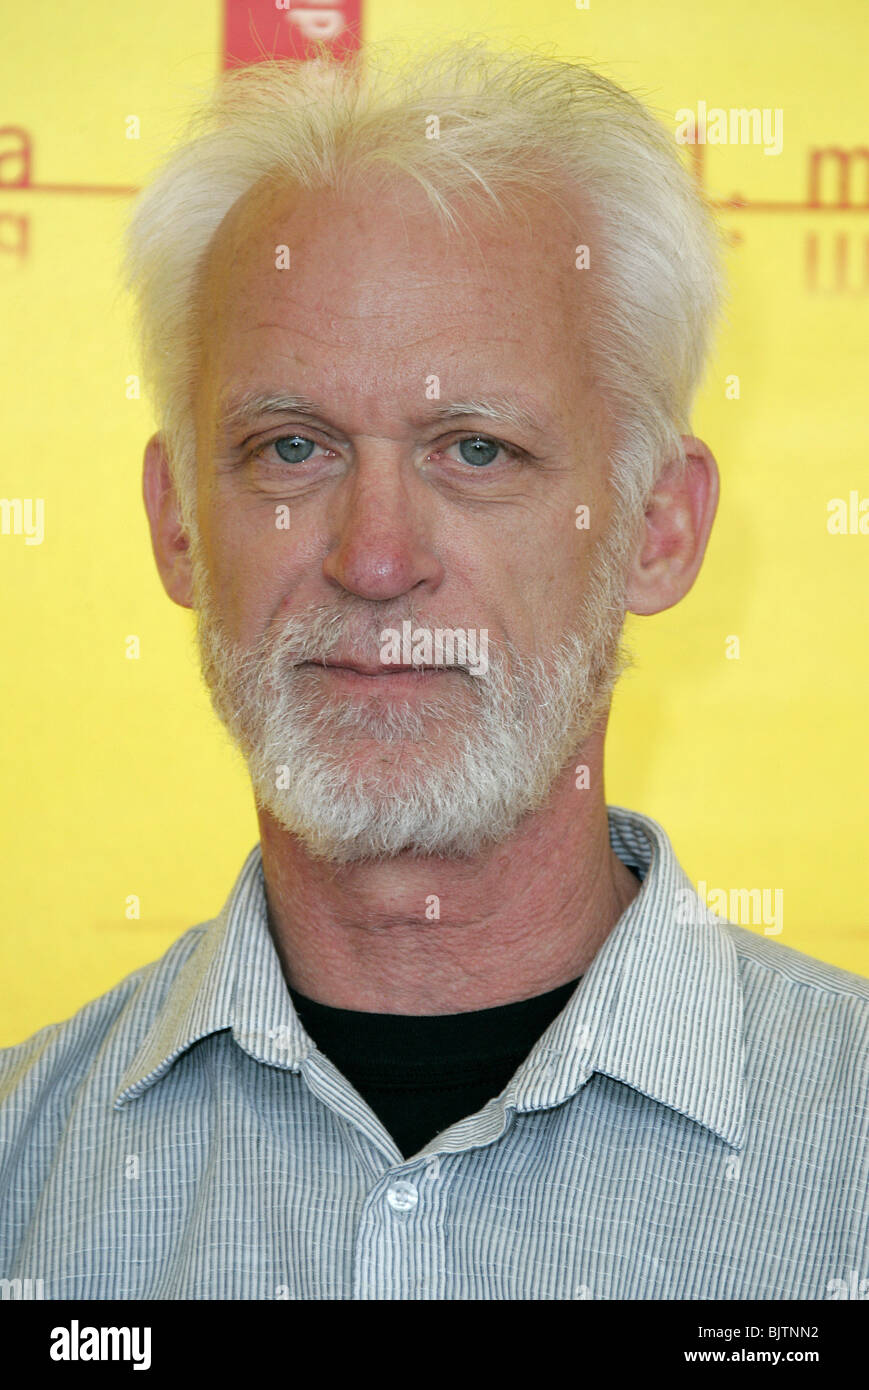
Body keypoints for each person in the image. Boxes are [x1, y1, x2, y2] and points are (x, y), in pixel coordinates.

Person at [1, 40, 865, 1301]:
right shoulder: (26, 1177)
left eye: (475, 449)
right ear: (178, 519)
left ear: (657, 529)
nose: (375, 556)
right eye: (290, 446)